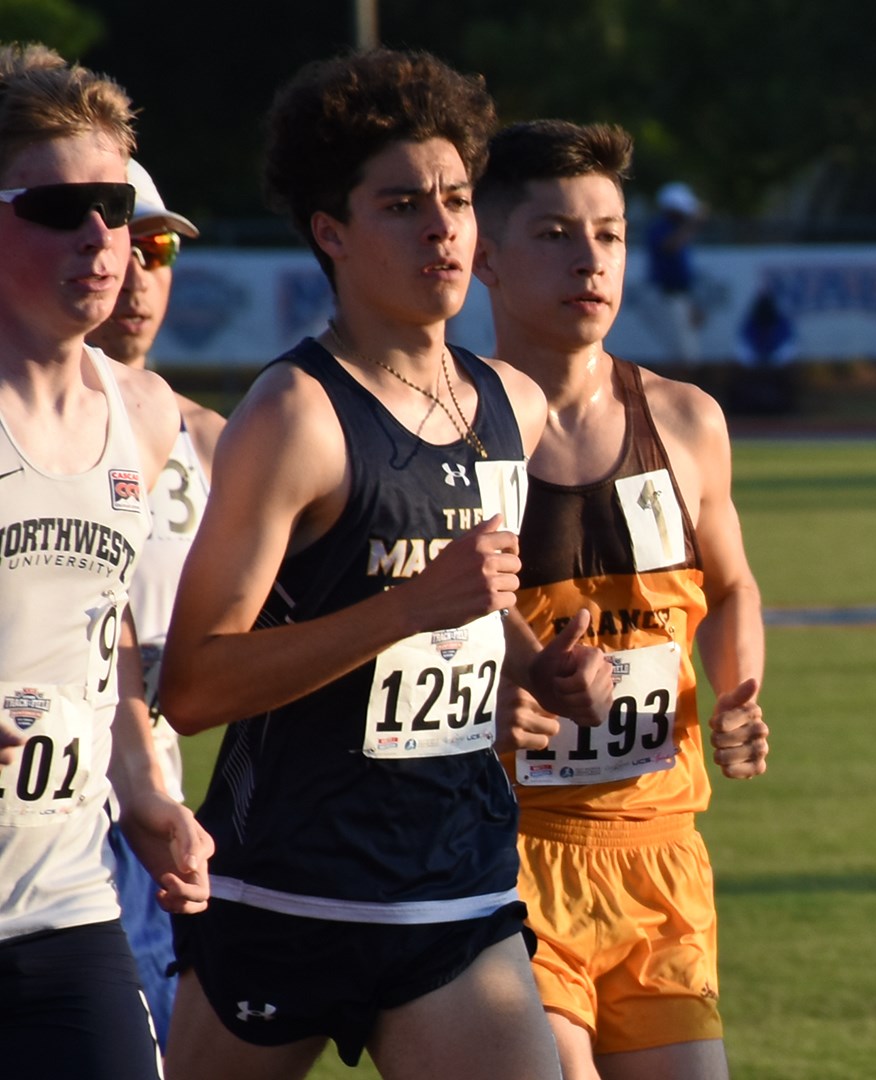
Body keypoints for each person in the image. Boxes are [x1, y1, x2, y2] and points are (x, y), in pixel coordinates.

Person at [155, 49, 611, 1080]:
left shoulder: (513, 405)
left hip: (458, 895)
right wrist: (408, 608)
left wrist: (538, 668)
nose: (443, 228)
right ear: (332, 233)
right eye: (403, 204)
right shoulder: (295, 416)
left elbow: (475, 602)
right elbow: (194, 686)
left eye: (455, 199)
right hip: (287, 894)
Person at [474, 118, 768, 1080]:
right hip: (509, 852)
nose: (588, 260)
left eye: (608, 233)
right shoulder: (450, 436)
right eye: (554, 234)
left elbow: (729, 591)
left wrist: (739, 692)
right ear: (485, 256)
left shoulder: (687, 420)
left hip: (663, 861)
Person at [0, 42, 214, 1080]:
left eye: (116, 207)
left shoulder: (145, 416)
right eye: (56, 207)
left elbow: (108, 633)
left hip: (68, 908)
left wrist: (145, 794)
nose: (100, 236)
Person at [83, 155, 218, 1052]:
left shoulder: (215, 440)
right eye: (124, 245)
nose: (137, 272)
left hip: (146, 806)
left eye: (158, 249)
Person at [644, 181, 705, 363]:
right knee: (682, 354)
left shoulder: (676, 228)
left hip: (680, 296)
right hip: (667, 295)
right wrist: (692, 224)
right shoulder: (660, 228)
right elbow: (669, 246)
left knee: (690, 352)